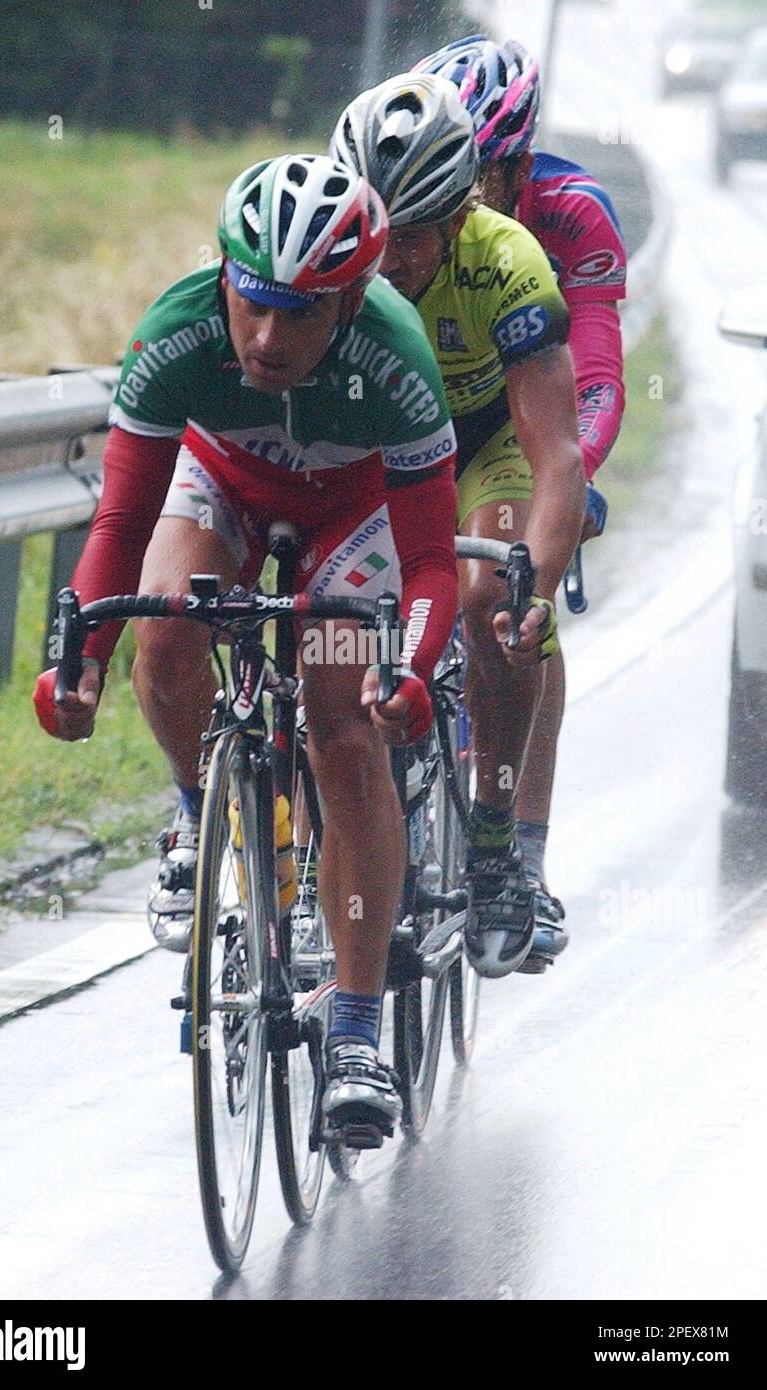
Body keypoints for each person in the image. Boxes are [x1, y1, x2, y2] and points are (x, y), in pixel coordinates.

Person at [33, 153, 462, 1140]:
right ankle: (200, 815)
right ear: (225, 278)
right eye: (253, 302)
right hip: (223, 483)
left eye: (302, 314)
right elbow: (120, 524)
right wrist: (77, 662)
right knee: (165, 624)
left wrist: (411, 669)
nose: (268, 338)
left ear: (352, 302)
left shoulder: (397, 358)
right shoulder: (175, 331)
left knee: (344, 728)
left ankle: (354, 1032)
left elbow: (433, 558)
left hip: (352, 512)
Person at [332, 75, 586, 979]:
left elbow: (556, 455)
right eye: (375, 233)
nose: (387, 260)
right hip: (370, 448)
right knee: (320, 623)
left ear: (459, 213)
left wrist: (538, 592)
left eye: (410, 239)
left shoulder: (508, 260)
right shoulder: (332, 255)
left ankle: (490, 834)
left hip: (484, 447)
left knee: (488, 596)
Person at [413, 35, 627, 956]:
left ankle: (519, 853)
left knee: (506, 599)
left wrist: (572, 477)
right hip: (417, 426)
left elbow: (598, 375)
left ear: (514, 157)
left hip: (517, 426)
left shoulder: (573, 215)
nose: (463, 193)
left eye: (483, 173)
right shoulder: (398, 206)